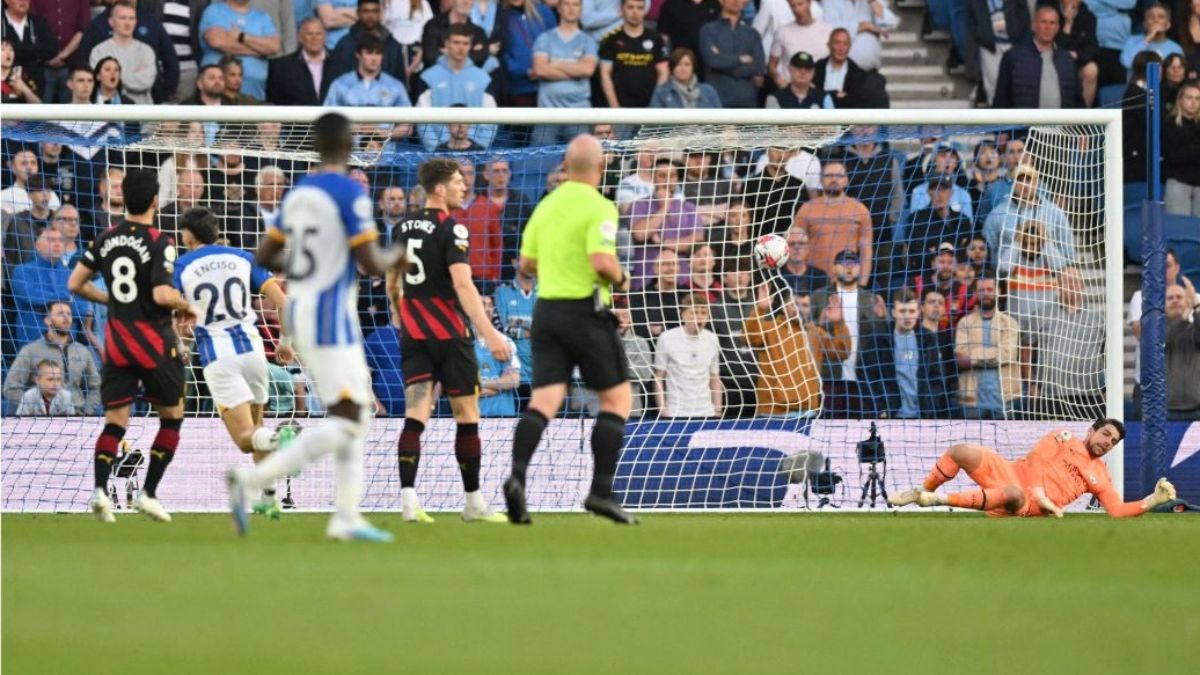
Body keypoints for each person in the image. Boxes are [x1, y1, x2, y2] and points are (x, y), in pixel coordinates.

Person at [227, 112, 409, 542]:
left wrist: (308, 265)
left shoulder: (298, 195)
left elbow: (266, 256)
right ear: (348, 146)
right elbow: (369, 264)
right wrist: (397, 256)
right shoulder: (350, 192)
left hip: (302, 310)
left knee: (352, 413)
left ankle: (345, 516)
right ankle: (251, 481)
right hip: (330, 315)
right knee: (352, 415)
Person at [503, 134, 639, 525]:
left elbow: (526, 264)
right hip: (586, 310)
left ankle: (517, 477)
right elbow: (601, 261)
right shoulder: (600, 206)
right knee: (616, 401)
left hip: (547, 311)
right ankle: (601, 491)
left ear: (566, 166)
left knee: (544, 400)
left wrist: (557, 267)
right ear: (600, 168)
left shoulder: (546, 206)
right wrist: (623, 277)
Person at [385, 157, 512, 524]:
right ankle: (473, 504)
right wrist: (491, 333)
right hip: (451, 335)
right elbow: (462, 284)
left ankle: (409, 503)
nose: (464, 187)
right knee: (467, 417)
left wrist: (402, 314)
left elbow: (393, 282)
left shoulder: (402, 227)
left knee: (415, 415)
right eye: (458, 181)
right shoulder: (452, 228)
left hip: (415, 334)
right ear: (439, 189)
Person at [66, 169, 192, 524]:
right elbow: (161, 294)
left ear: (122, 198)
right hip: (153, 343)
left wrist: (110, 301)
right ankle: (149, 493)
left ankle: (100, 491)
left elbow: (74, 283)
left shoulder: (105, 238)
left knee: (115, 423)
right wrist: (188, 305)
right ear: (155, 201)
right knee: (172, 417)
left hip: (118, 342)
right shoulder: (159, 240)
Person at [173, 207, 297, 519]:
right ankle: (270, 499)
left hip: (219, 358)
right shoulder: (245, 258)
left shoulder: (181, 266)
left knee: (246, 440)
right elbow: (284, 302)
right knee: (257, 429)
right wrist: (284, 344)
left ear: (188, 235)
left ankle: (283, 440)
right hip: (254, 354)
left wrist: (179, 344)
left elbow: (170, 312)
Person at [891, 419, 1178, 517]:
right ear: (1091, 430)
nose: (1107, 443)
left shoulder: (1100, 474)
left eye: (1113, 442)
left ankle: (936, 500)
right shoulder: (1063, 437)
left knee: (1013, 494)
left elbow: (1116, 511)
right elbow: (1038, 457)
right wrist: (1040, 492)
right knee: (960, 451)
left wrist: (1151, 500)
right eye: (1105, 435)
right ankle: (922, 492)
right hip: (1011, 472)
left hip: (1026, 504)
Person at [859, 289, 957, 418]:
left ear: (918, 312)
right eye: (902, 311)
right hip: (891, 417)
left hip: (922, 417)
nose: (907, 316)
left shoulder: (927, 339)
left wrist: (931, 404)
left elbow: (937, 376)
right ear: (893, 313)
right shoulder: (879, 339)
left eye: (911, 311)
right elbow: (866, 376)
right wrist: (880, 407)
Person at [3, 300, 101, 415]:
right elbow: (10, 388)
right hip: (41, 422)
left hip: (78, 418)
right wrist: (36, 408)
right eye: (60, 313)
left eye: (69, 314)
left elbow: (97, 386)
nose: (66, 317)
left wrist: (87, 411)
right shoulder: (30, 351)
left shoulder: (82, 351)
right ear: (47, 320)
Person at [530, 0, 598, 145]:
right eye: (567, 4)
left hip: (579, 114)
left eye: (576, 4)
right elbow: (540, 69)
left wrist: (555, 64)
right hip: (547, 113)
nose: (571, 9)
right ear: (559, 8)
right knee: (539, 165)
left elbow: (588, 69)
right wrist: (576, 70)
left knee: (580, 165)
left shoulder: (588, 41)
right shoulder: (545, 38)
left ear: (581, 8)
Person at [954, 273, 1020, 419]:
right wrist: (995, 353)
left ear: (999, 291)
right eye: (981, 290)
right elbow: (961, 359)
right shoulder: (964, 323)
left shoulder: (1010, 323)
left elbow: (1007, 355)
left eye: (990, 289)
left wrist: (973, 357)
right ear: (975, 293)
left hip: (1006, 399)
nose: (986, 294)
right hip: (971, 402)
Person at [993, 4, 1084, 109]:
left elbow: (1078, 102)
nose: (1048, 27)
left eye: (1052, 23)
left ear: (1057, 28)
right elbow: (1001, 101)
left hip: (1061, 125)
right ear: (1033, 25)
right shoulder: (1012, 58)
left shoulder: (1067, 60)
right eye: (1043, 22)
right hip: (1025, 125)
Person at [653, 292, 722, 417]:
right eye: (694, 312)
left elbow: (715, 377)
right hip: (676, 412)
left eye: (703, 313)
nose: (699, 317)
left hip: (706, 412)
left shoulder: (712, 339)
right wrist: (662, 409)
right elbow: (658, 376)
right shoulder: (666, 338)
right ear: (683, 315)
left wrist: (717, 410)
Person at [199, 0, 281, 101]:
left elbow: (274, 46)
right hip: (218, 95)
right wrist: (259, 50)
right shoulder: (214, 10)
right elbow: (217, 41)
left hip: (254, 96)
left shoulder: (263, 17)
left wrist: (242, 36)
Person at [598, 0, 669, 111]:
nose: (635, 12)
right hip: (619, 109)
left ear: (645, 11)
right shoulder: (610, 40)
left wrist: (654, 104)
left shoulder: (656, 39)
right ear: (621, 10)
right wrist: (615, 108)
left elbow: (663, 72)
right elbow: (605, 74)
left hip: (649, 109)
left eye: (640, 8)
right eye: (630, 7)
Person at [698, 0, 766, 108]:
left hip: (747, 101)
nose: (736, 1)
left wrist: (723, 62)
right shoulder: (708, 30)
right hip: (717, 100)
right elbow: (712, 60)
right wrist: (741, 59)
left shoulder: (752, 34)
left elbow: (758, 66)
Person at [88, 1, 157, 104]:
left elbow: (146, 82)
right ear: (111, 21)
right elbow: (99, 83)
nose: (127, 23)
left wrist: (113, 77)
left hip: (142, 114)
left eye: (131, 18)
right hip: (108, 115)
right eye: (122, 18)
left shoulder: (146, 51)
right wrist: (134, 75)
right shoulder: (98, 51)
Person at [267, 17, 333, 106]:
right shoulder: (282, 67)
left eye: (318, 34)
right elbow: (274, 102)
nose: (314, 37)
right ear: (300, 38)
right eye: (309, 34)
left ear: (325, 37)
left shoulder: (340, 62)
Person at [767, 0, 833, 89]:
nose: (797, 9)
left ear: (809, 3)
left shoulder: (828, 30)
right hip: (792, 90)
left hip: (821, 88)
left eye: (800, 4)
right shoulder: (783, 32)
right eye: (793, 6)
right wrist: (778, 79)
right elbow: (772, 65)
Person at [1162, 79, 1200, 217]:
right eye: (1189, 97)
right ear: (1180, 100)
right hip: (1178, 180)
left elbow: (1183, 153)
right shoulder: (1169, 124)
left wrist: (1189, 149)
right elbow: (1174, 155)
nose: (1194, 102)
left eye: (1197, 98)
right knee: (1178, 227)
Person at [1165, 283, 1200, 419]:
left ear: (1188, 301)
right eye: (1170, 298)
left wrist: (1196, 306)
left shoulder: (1194, 329)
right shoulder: (1155, 329)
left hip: (1197, 408)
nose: (1175, 300)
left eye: (1179, 297)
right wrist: (1185, 314)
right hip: (1165, 410)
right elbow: (1170, 334)